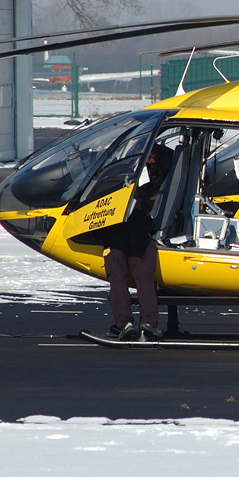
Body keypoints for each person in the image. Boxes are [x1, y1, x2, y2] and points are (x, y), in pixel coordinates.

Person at [103, 144, 173, 341]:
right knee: (144, 278)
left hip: (117, 231)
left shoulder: (118, 170)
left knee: (117, 277)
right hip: (138, 231)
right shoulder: (155, 176)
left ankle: (125, 322)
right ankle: (148, 322)